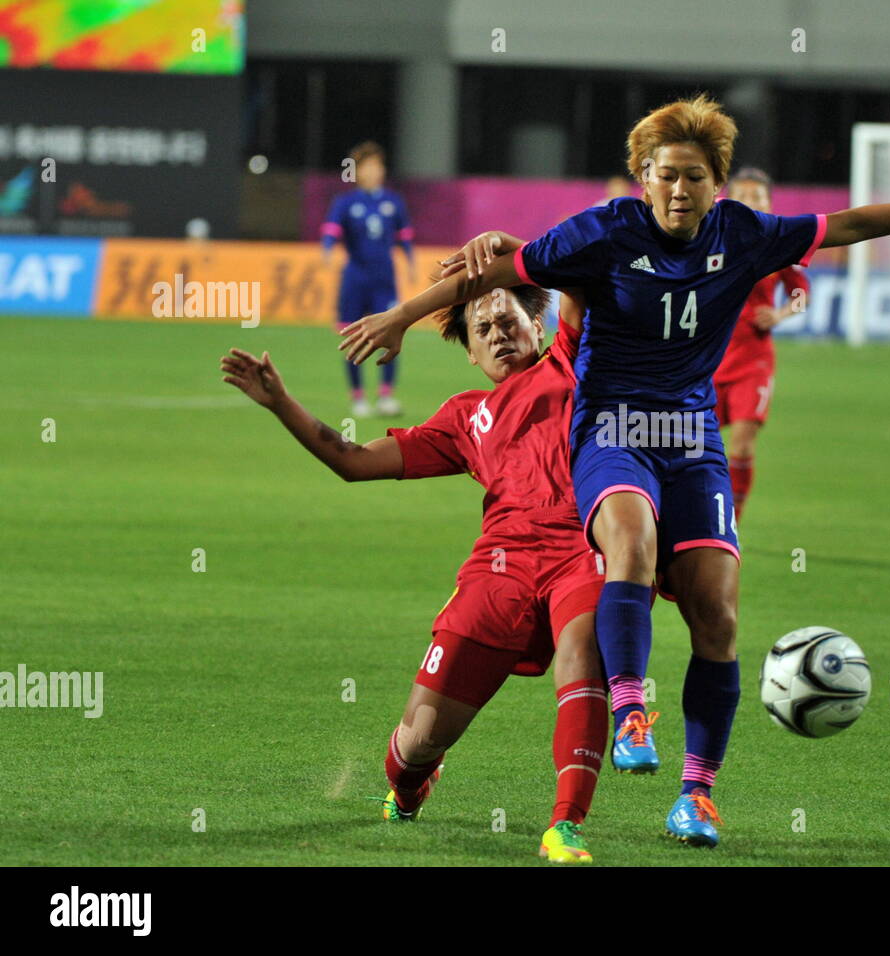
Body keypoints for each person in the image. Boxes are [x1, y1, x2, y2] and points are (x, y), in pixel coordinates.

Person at [338, 95, 890, 848]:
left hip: (692, 436)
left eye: (693, 177)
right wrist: (403, 316)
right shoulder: (604, 231)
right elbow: (503, 266)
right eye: (664, 175)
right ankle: (632, 709)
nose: (677, 190)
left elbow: (847, 226)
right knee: (627, 542)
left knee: (718, 617)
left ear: (715, 185)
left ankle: (696, 796)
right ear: (643, 177)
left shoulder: (745, 234)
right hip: (611, 426)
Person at [221, 285, 610, 864]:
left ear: (538, 323)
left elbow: (582, 276)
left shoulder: (574, 362)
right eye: (483, 330)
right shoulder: (465, 417)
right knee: (419, 738)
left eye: (508, 320)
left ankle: (565, 825)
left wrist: (506, 257)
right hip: (499, 570)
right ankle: (411, 784)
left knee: (584, 655)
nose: (498, 332)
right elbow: (353, 463)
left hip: (584, 551)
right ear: (471, 356)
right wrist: (282, 403)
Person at [713, 167, 810, 521]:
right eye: (744, 196)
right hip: (707, 362)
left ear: (770, 203)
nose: (752, 202)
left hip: (753, 363)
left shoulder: (777, 244)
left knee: (741, 445)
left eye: (759, 197)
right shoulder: (709, 239)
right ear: (728, 200)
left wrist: (782, 313)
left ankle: (732, 519)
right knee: (687, 445)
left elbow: (802, 293)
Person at [321, 141, 417, 419]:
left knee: (391, 332)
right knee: (353, 336)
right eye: (370, 166)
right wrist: (327, 249)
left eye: (379, 165)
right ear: (358, 171)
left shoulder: (393, 201)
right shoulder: (346, 203)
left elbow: (405, 238)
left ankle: (386, 395)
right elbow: (331, 231)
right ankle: (358, 398)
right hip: (355, 278)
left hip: (384, 278)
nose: (376, 171)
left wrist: (410, 264)